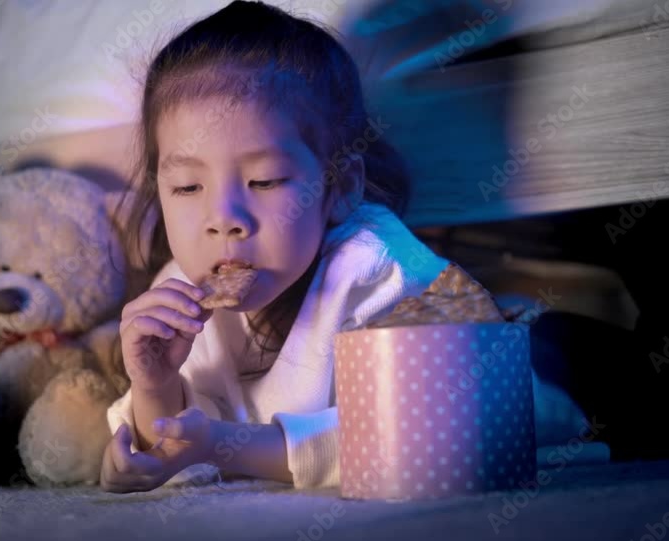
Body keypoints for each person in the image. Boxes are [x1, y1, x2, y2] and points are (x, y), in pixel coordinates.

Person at [100, 0, 470, 493]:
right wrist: (154, 391)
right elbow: (177, 447)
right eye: (188, 187)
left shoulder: (377, 273)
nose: (224, 220)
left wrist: (222, 443)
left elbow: (420, 436)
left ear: (338, 188)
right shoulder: (179, 293)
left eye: (265, 180)